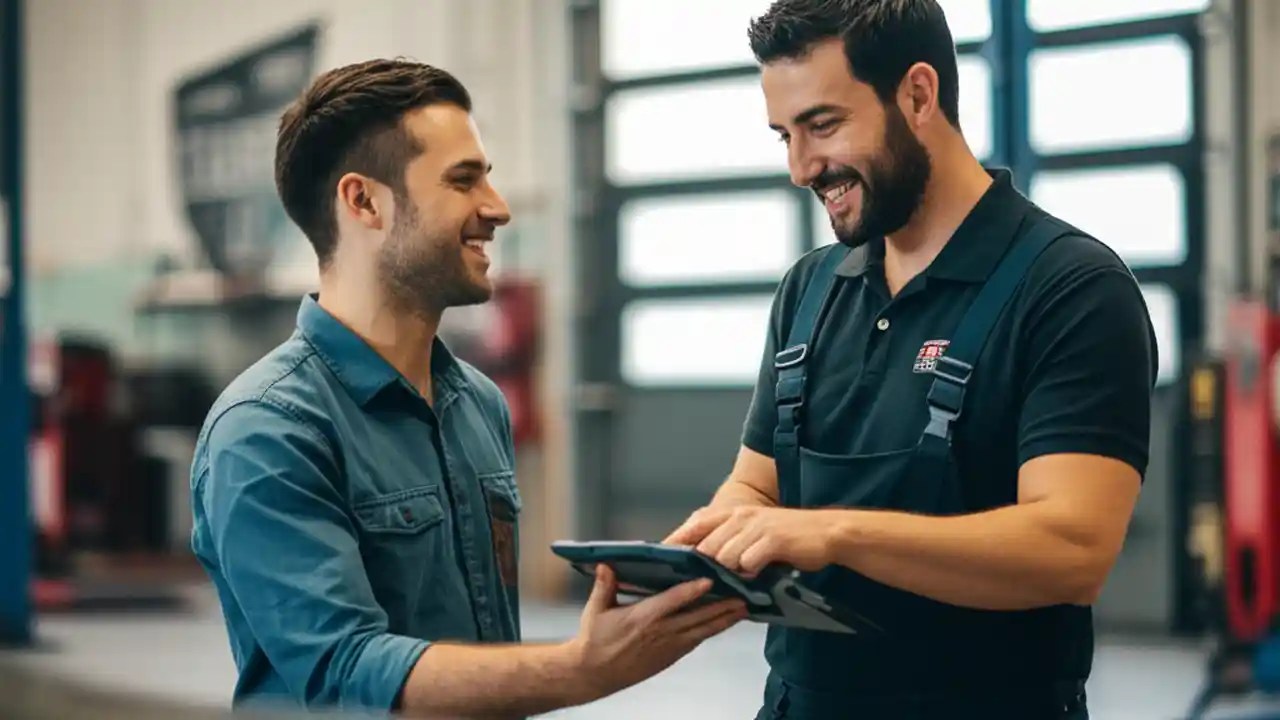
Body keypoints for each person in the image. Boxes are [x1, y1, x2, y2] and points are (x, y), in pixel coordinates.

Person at [189, 59, 746, 719]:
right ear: (363, 201)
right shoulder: (266, 431)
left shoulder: (477, 404)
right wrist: (581, 667)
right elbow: (344, 668)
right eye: (463, 180)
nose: (497, 208)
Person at [664, 2, 1156, 718]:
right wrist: (710, 544)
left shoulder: (1071, 289)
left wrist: (834, 531)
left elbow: (1071, 549)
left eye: (823, 126)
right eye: (785, 136)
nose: (802, 168)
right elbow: (759, 488)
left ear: (918, 94)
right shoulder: (809, 290)